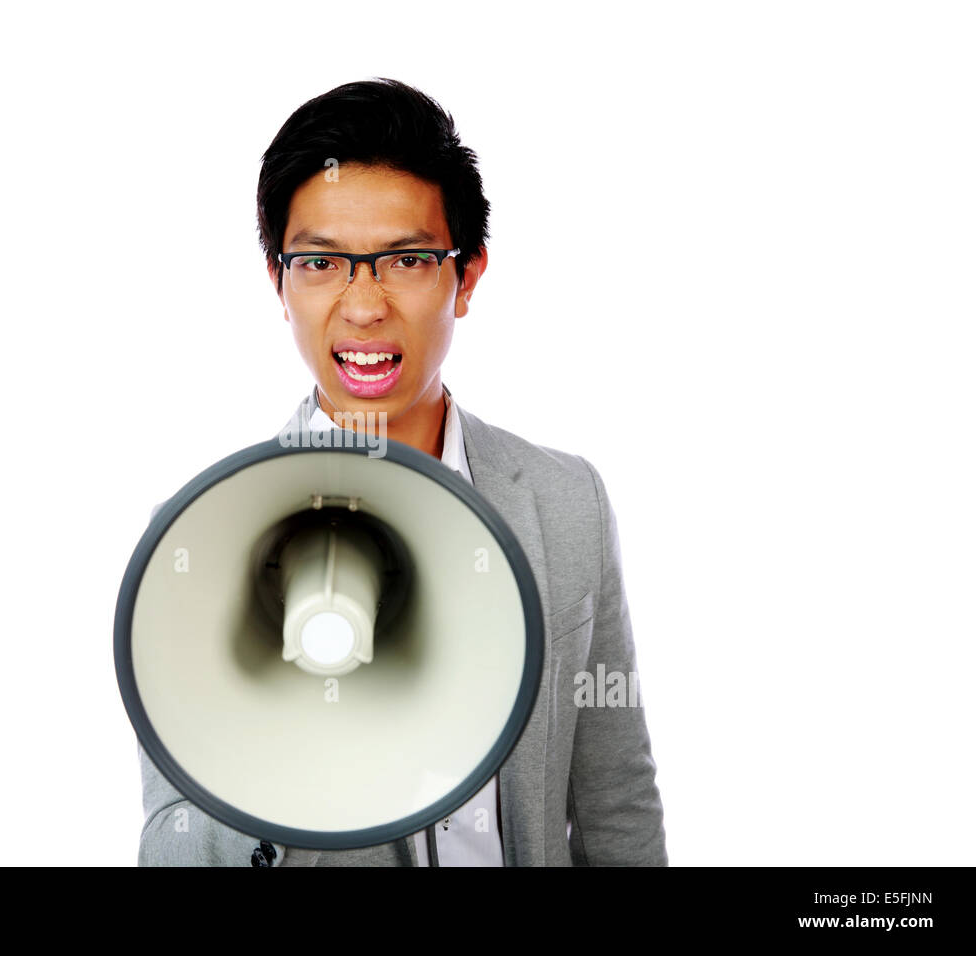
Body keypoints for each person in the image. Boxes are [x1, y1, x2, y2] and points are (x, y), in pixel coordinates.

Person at [135, 77, 667, 866]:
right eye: (320, 262)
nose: (362, 306)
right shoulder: (202, 537)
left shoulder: (565, 500)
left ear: (469, 273)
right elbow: (173, 846)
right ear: (277, 281)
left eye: (407, 259)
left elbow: (616, 803)